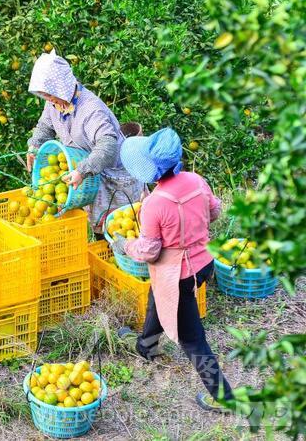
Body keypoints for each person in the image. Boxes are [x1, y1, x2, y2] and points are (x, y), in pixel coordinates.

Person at [111, 127, 233, 412]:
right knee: (159, 298)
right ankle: (147, 346)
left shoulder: (153, 205)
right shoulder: (195, 180)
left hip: (180, 275)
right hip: (204, 263)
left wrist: (123, 244)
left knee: (193, 340)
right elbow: (214, 211)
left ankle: (224, 397)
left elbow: (150, 251)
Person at [26, 51, 144, 236]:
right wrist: (34, 145)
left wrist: (82, 170)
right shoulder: (55, 103)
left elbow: (107, 146)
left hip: (114, 176)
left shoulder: (90, 111)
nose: (47, 99)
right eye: (44, 95)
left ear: (60, 87)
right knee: (102, 229)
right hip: (90, 174)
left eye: (49, 94)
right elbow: (45, 125)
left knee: (125, 228)